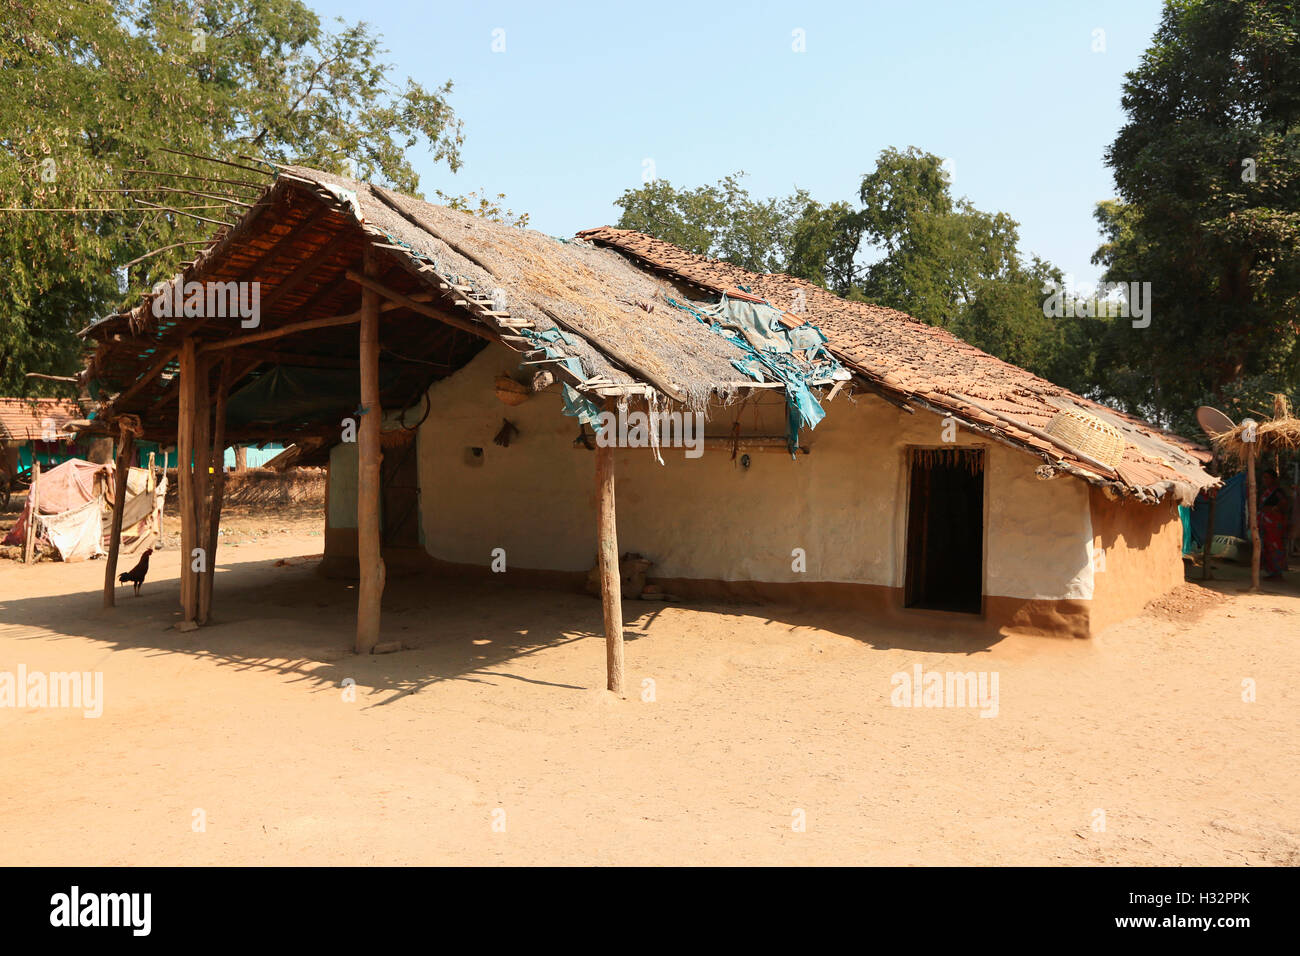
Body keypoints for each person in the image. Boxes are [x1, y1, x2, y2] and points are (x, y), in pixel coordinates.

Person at [1259, 469, 1290, 579]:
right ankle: (1271, 572)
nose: (1265, 480)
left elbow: (1284, 505)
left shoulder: (1278, 492)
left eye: (1267, 478)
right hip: (1266, 524)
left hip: (1274, 525)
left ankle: (1277, 573)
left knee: (1275, 548)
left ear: (1273, 479)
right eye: (1264, 478)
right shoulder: (1265, 491)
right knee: (1267, 548)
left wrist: (1273, 509)